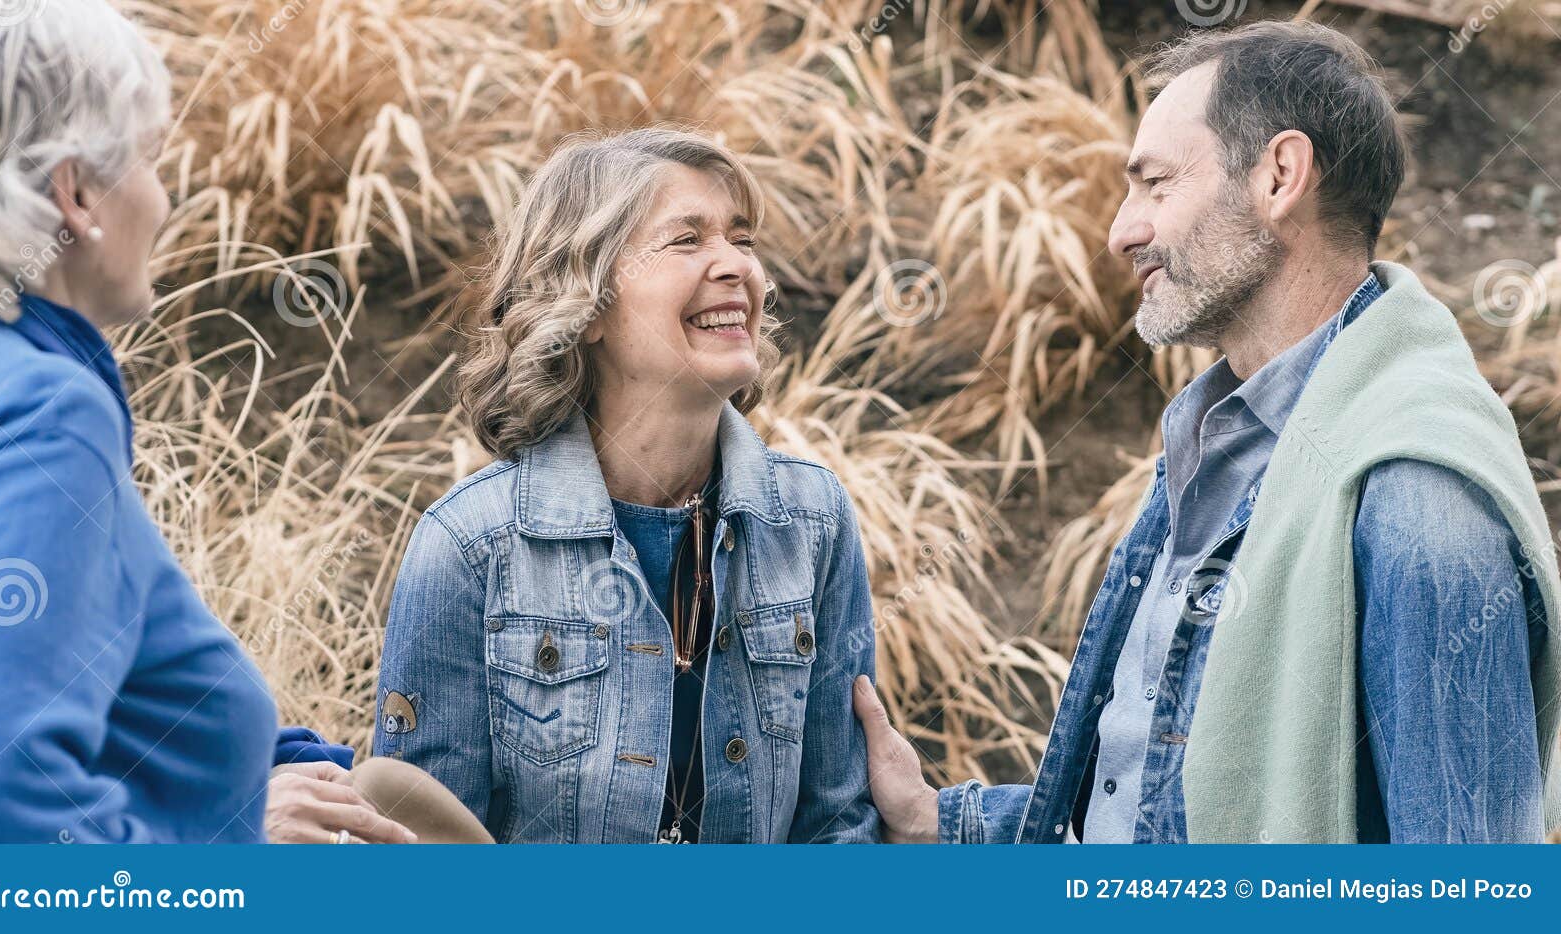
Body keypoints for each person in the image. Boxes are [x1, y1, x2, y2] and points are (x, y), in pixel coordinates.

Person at [853, 19, 1561, 844]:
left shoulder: (1416, 494)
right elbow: (1156, 819)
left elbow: (1464, 888)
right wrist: (942, 819)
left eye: (1156, 184)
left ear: (1280, 176)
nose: (1122, 231)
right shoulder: (1225, 440)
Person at [0, 0, 413, 845]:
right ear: (77, 193)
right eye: (152, 160)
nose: (165, 201)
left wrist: (258, 777)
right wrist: (225, 862)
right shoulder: (45, 411)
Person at [376, 127, 879, 843]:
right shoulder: (470, 546)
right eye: (687, 240)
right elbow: (421, 854)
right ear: (586, 308)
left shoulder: (812, 521)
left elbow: (838, 825)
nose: (737, 265)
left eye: (742, 239)